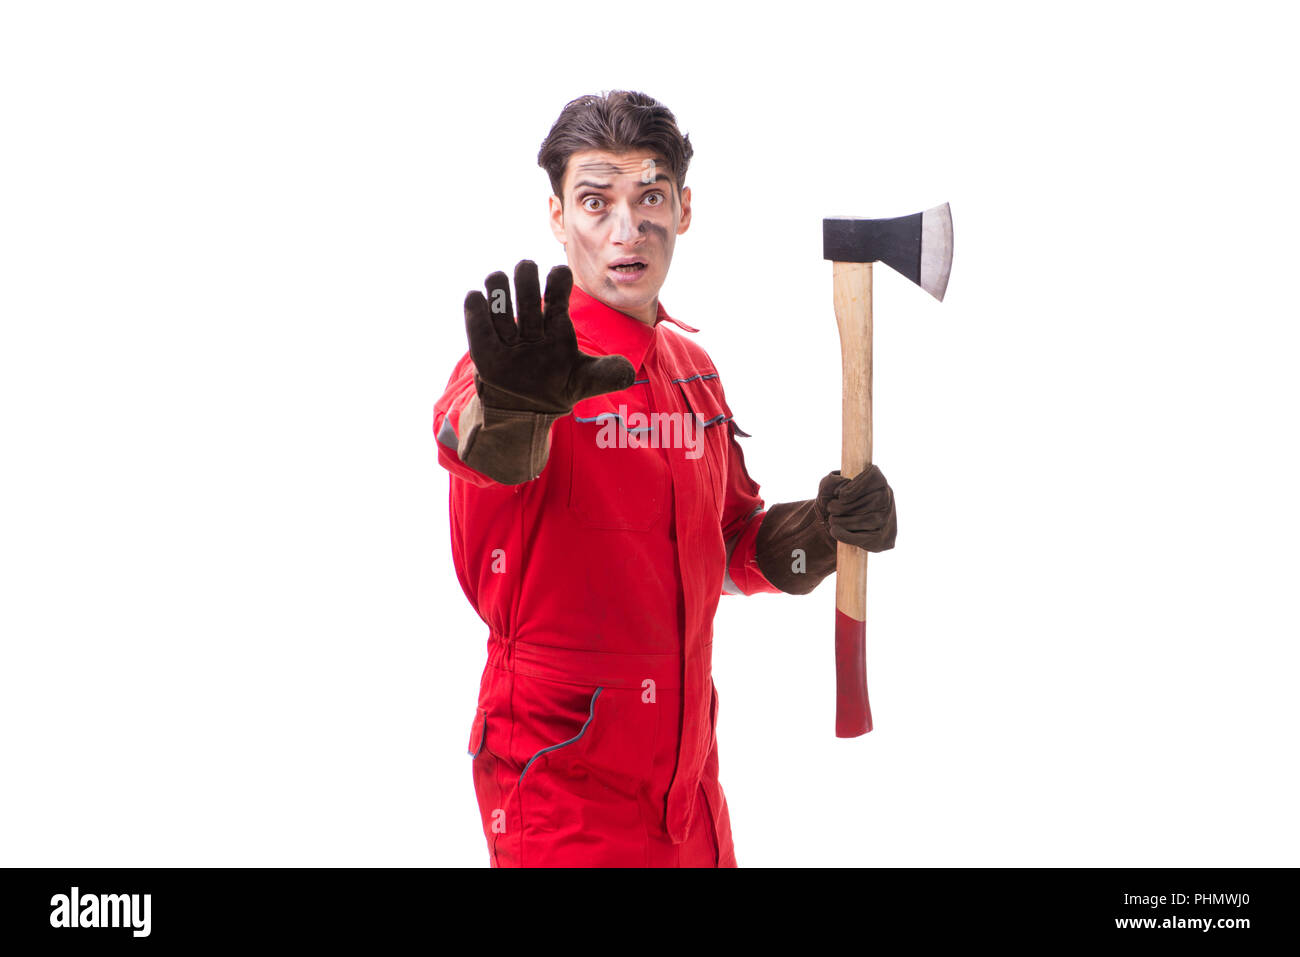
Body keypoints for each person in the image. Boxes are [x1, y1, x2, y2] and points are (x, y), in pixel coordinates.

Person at [433, 90, 897, 867]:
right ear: (557, 217)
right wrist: (513, 410)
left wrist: (822, 530)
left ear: (684, 210)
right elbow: (474, 443)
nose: (626, 229)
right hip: (559, 783)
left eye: (649, 196)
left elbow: (731, 549)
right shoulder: (527, 367)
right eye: (595, 201)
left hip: (689, 787)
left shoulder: (693, 374)